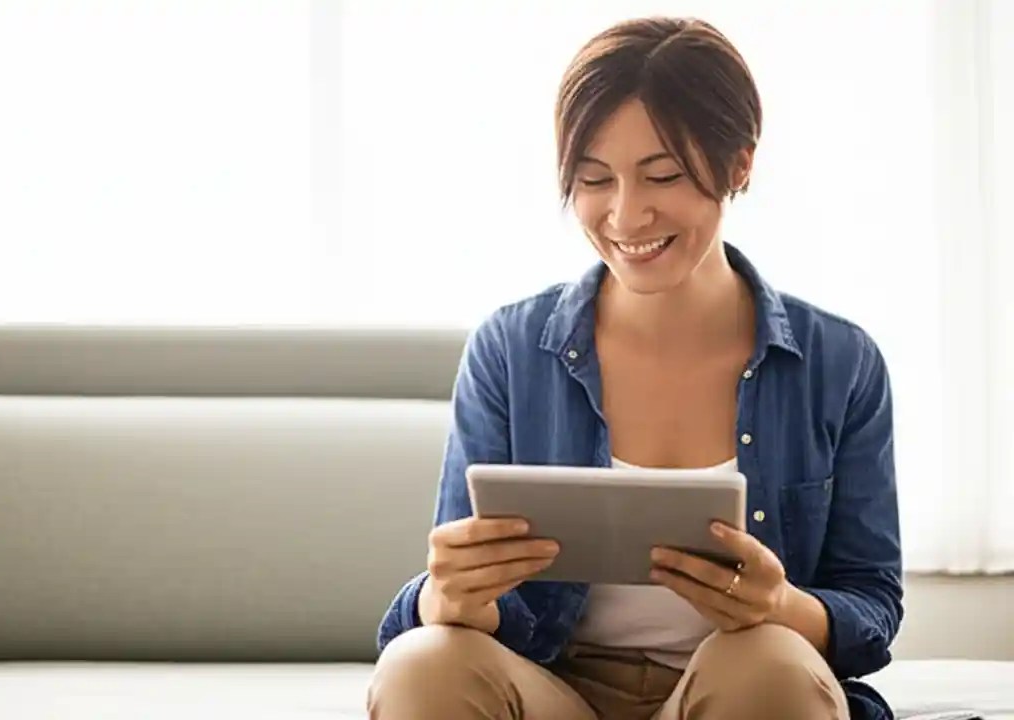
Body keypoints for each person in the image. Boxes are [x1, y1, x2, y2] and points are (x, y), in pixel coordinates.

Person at [367, 15, 903, 720]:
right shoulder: (510, 349)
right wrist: (450, 598)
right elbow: (463, 592)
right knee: (423, 662)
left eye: (663, 175)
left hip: (739, 685)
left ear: (739, 164)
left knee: (769, 661)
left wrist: (780, 605)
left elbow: (870, 604)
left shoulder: (839, 362)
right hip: (554, 689)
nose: (625, 215)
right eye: (594, 179)